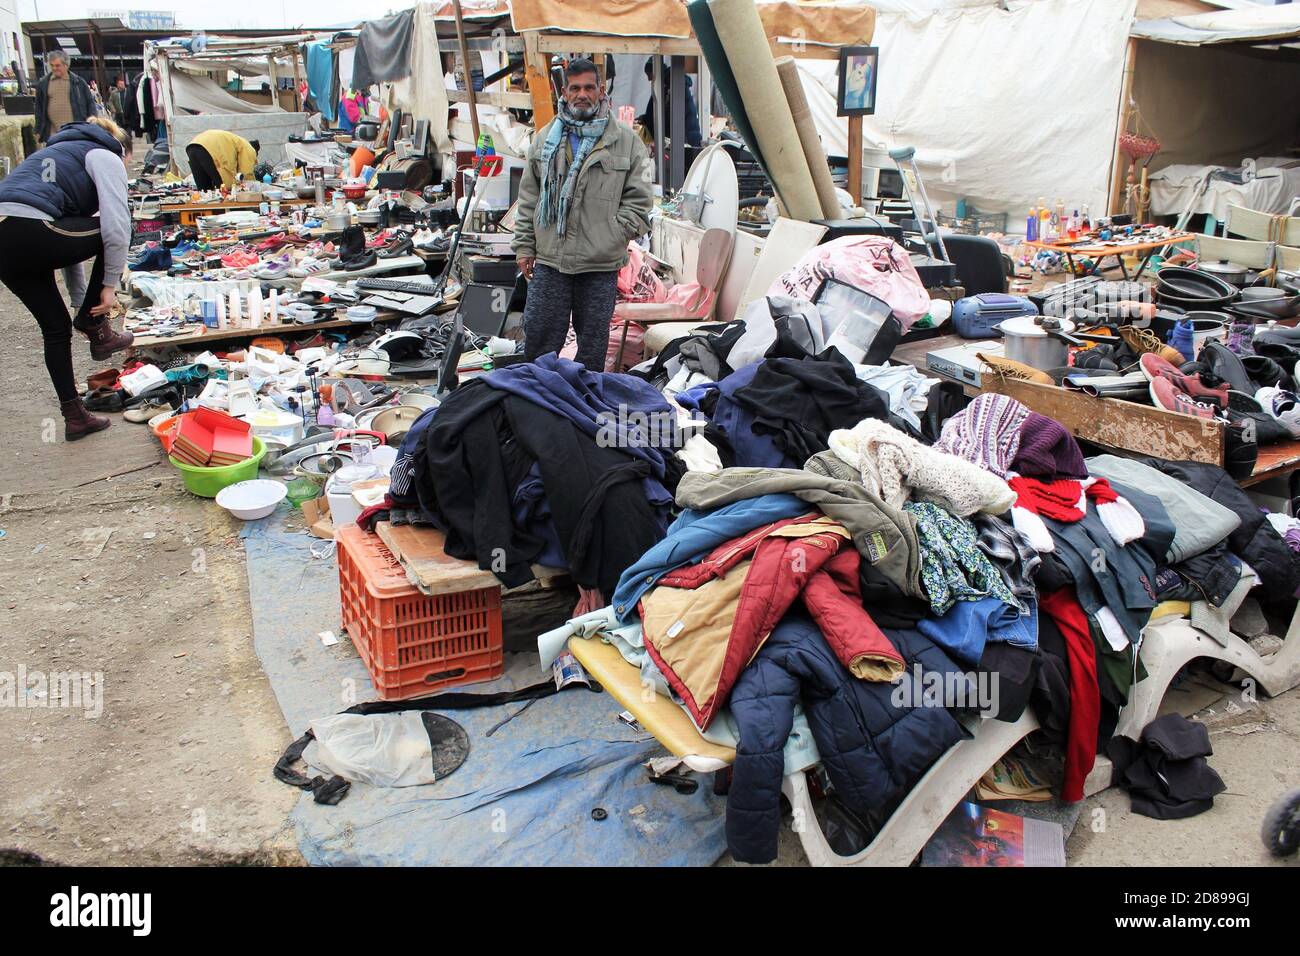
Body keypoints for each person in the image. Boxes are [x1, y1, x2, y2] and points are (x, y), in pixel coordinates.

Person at [513, 58, 653, 369]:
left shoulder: (625, 142)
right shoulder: (545, 139)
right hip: (551, 261)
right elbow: (528, 198)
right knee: (539, 345)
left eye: (589, 87)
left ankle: (582, 410)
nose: (582, 94)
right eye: (575, 88)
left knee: (591, 351)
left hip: (599, 265)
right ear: (564, 92)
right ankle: (538, 407)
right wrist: (524, 247)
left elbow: (641, 203)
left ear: (601, 90)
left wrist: (612, 235)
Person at [0, 117, 135, 441]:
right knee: (113, 229)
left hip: (7, 236)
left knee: (56, 328)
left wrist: (79, 301)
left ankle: (75, 417)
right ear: (120, 146)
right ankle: (94, 327)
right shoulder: (103, 154)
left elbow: (64, 241)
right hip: (29, 227)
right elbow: (117, 228)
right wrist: (107, 289)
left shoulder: (55, 155)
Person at [638, 57, 703, 148]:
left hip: (686, 139)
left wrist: (646, 120)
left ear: (655, 72)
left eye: (649, 74)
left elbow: (670, 115)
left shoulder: (672, 86)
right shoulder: (666, 85)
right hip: (686, 136)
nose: (649, 79)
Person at [34, 50, 97, 143]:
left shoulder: (78, 83)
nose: (54, 68)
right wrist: (38, 130)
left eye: (57, 65)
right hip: (53, 133)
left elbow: (90, 104)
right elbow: (39, 109)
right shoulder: (43, 84)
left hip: (76, 131)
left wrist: (92, 125)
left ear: (66, 65)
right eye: (52, 65)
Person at [185, 130, 260, 190]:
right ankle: (226, 208)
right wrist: (252, 188)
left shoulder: (236, 142)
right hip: (209, 148)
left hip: (192, 146)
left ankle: (206, 209)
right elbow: (246, 173)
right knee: (225, 188)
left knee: (204, 191)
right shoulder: (249, 148)